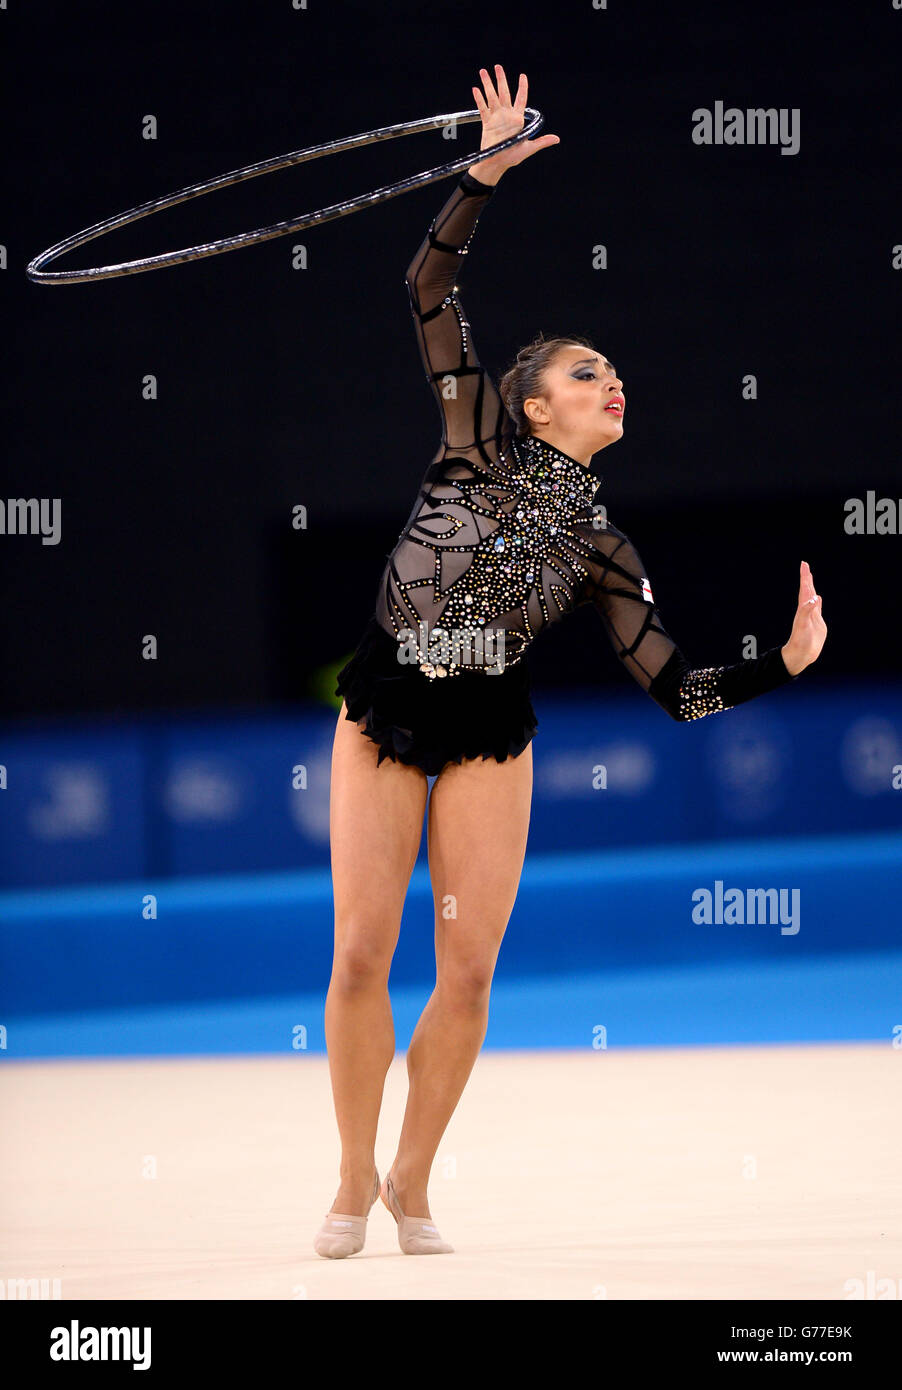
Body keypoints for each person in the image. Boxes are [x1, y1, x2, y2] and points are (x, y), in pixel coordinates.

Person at [315, 65, 827, 1259]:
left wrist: (783, 667)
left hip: (490, 721)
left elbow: (677, 690)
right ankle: (347, 1167)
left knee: (472, 966)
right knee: (357, 949)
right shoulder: (473, 436)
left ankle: (412, 1177)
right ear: (532, 405)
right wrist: (479, 175)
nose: (611, 383)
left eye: (611, 375)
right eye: (585, 371)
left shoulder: (602, 541)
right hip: (388, 695)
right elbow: (427, 285)